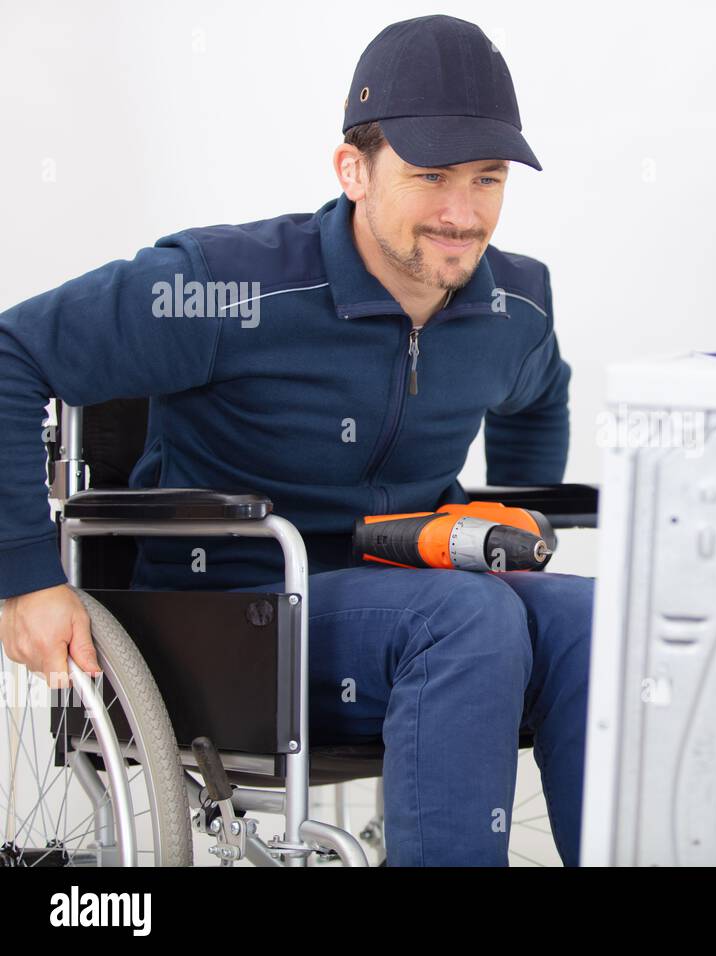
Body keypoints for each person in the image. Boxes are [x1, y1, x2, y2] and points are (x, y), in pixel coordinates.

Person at [0, 14, 592, 867]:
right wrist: (25, 578)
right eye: (430, 176)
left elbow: (542, 394)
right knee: (468, 616)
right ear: (354, 169)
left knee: (587, 617)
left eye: (488, 178)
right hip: (222, 618)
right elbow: (12, 353)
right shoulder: (227, 286)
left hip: (409, 591)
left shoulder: (513, 305)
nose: (463, 214)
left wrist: (515, 520)